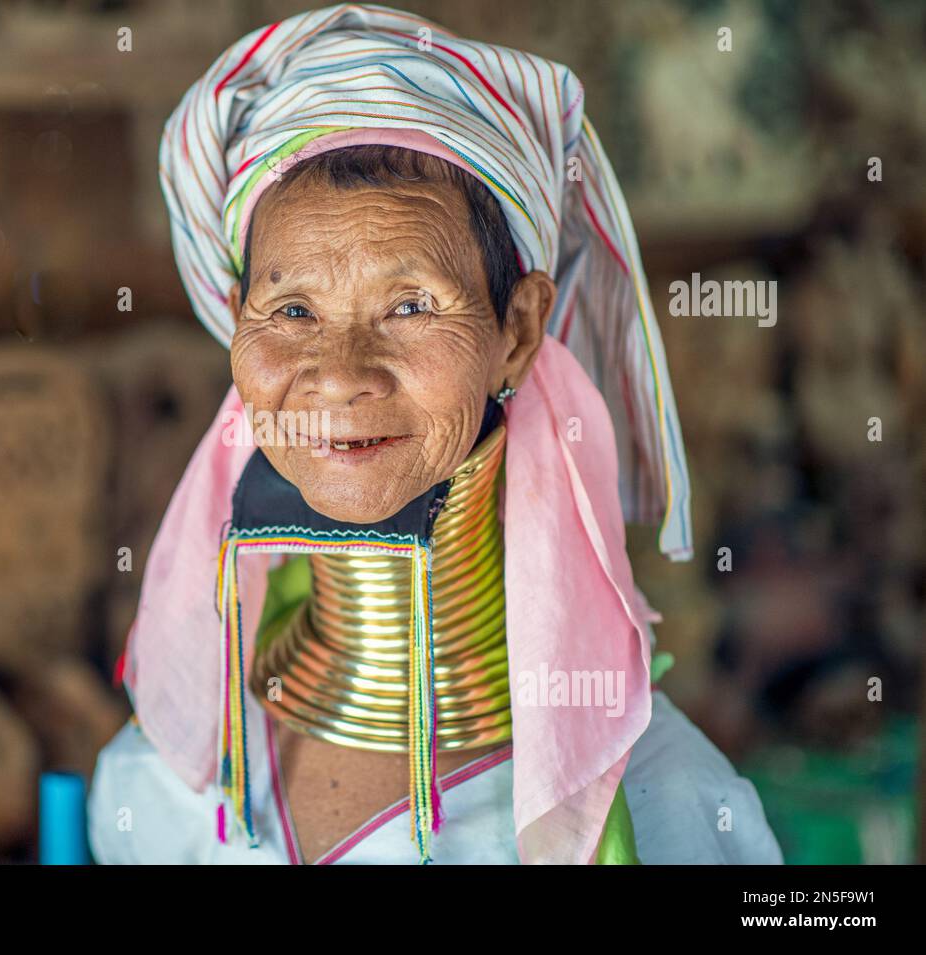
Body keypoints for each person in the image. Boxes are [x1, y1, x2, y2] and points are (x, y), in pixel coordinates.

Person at [88, 3, 783, 864]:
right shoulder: (160, 784)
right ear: (237, 320)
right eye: (292, 309)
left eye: (411, 305)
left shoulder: (670, 807)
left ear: (518, 331)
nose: (341, 371)